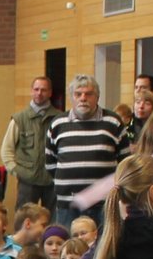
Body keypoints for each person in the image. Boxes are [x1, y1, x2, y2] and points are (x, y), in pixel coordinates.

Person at [46, 76, 124, 213]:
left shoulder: (113, 122)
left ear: (97, 97)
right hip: (68, 204)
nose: (83, 98)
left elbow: (124, 162)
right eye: (78, 94)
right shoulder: (57, 123)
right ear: (71, 97)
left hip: (104, 204)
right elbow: (50, 163)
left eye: (88, 94)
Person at [1, 76, 63, 212]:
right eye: (36, 89)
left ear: (50, 93)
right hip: (27, 181)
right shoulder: (19, 119)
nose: (39, 93)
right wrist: (16, 171)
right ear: (31, 91)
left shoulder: (60, 119)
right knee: (24, 219)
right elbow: (6, 150)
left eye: (43, 90)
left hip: (52, 180)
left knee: (54, 221)